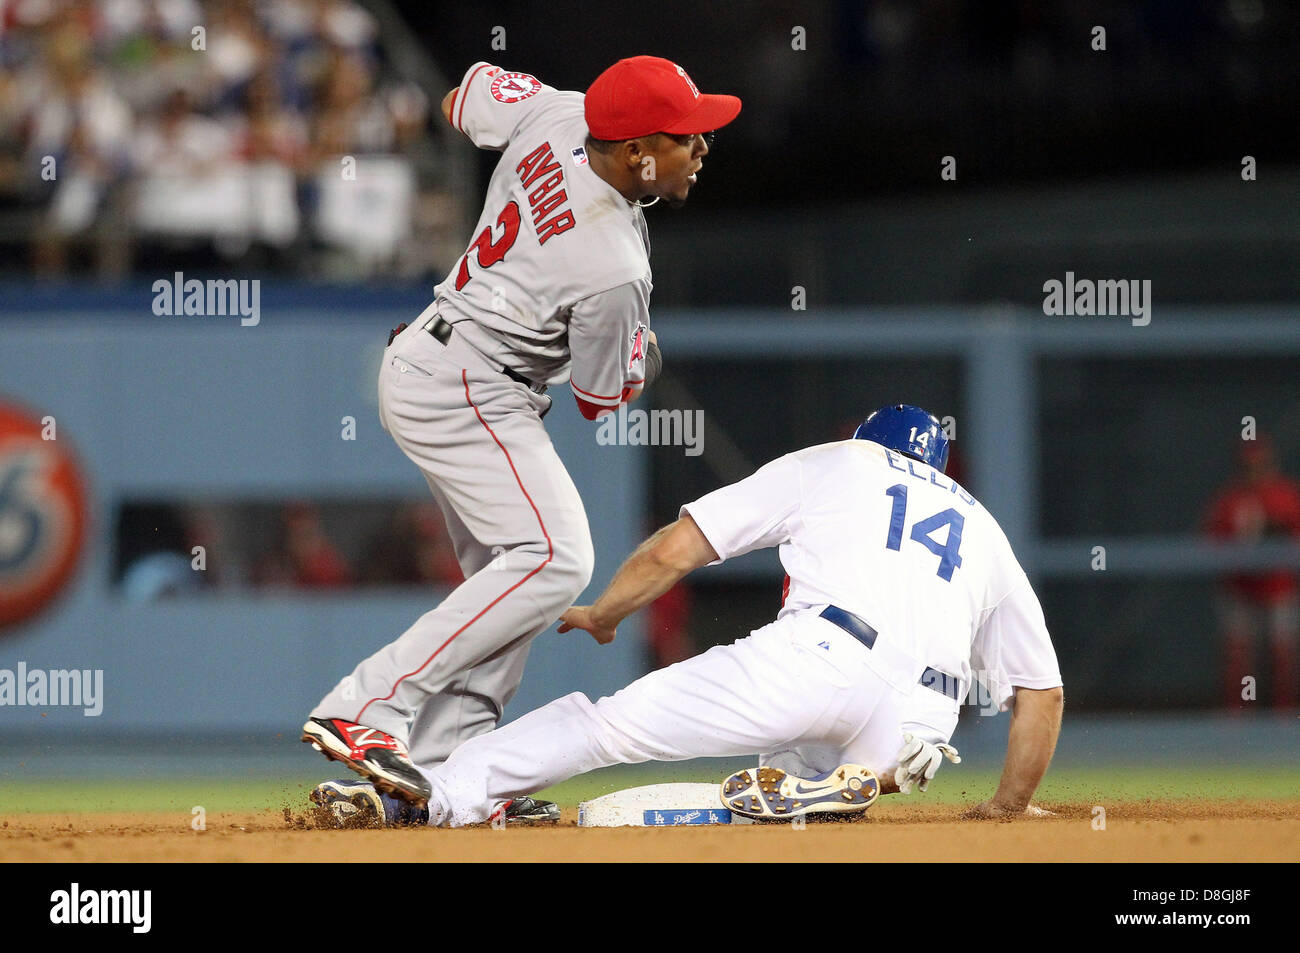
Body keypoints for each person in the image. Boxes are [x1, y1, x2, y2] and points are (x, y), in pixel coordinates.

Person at [301, 56, 742, 814]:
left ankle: (449, 781)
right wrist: (638, 355)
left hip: (441, 361)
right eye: (687, 137)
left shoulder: (564, 112)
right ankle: (367, 709)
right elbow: (603, 400)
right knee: (556, 557)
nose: (703, 149)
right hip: (469, 383)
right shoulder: (613, 267)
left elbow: (457, 96)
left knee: (511, 588)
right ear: (637, 152)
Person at [328, 404, 1065, 827]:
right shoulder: (985, 530)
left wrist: (606, 612)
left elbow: (678, 549)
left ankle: (438, 797)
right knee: (791, 783)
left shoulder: (841, 461)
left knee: (603, 724)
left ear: (867, 436)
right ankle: (843, 784)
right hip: (922, 721)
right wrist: (1007, 806)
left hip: (823, 657)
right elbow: (1042, 693)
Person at [1203, 435, 1300, 710]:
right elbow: (1211, 544)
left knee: (1282, 656)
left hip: (1279, 588)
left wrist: (1278, 535)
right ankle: (1236, 720)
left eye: (1260, 465)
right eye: (1249, 466)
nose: (1255, 472)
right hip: (1240, 589)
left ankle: (1284, 716)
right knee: (1237, 657)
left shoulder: (1287, 495)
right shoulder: (1229, 500)